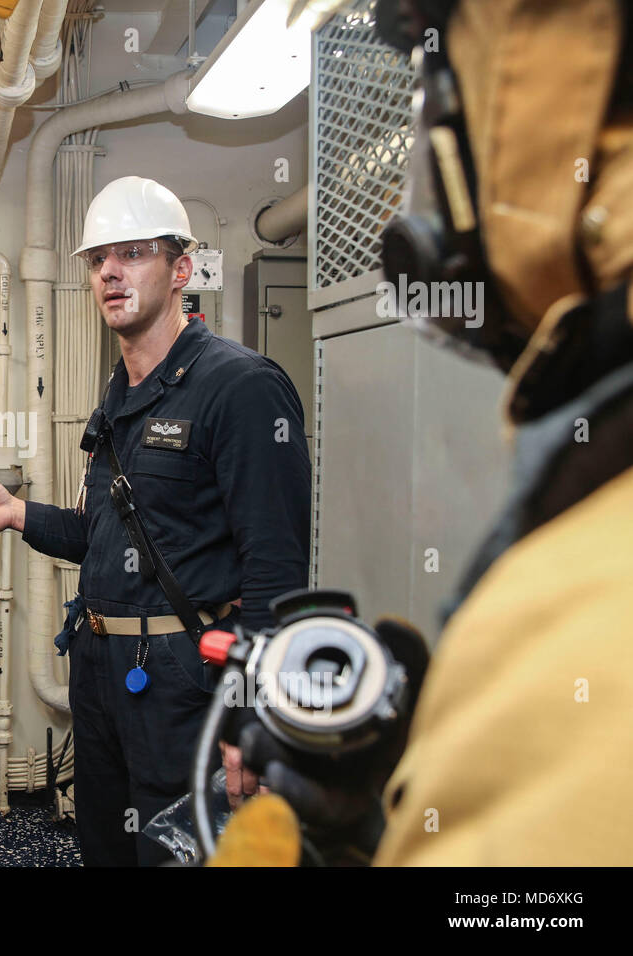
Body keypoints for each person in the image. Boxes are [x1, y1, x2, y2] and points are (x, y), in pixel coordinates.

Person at [226, 0, 633, 866]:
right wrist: (378, 818)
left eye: (429, 59)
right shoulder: (591, 456)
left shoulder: (592, 612)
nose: (424, 134)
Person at [0, 176, 312, 866]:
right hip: (105, 672)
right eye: (98, 258)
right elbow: (107, 540)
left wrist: (252, 720)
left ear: (182, 269)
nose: (110, 270)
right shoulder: (120, 394)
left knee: (178, 855)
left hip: (187, 681)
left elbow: (278, 572)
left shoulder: (240, 387)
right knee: (108, 849)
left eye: (134, 252)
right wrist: (17, 513)